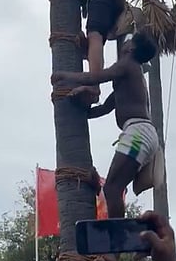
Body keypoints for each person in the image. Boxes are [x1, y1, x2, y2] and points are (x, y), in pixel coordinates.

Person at [51, 31, 158, 219]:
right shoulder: (130, 77)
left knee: (113, 188)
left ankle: (117, 239)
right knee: (115, 187)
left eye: (128, 42)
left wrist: (64, 76)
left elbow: (96, 77)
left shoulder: (127, 64)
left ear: (131, 48)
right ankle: (117, 236)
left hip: (138, 133)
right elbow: (105, 108)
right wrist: (79, 114)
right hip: (142, 134)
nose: (124, 44)